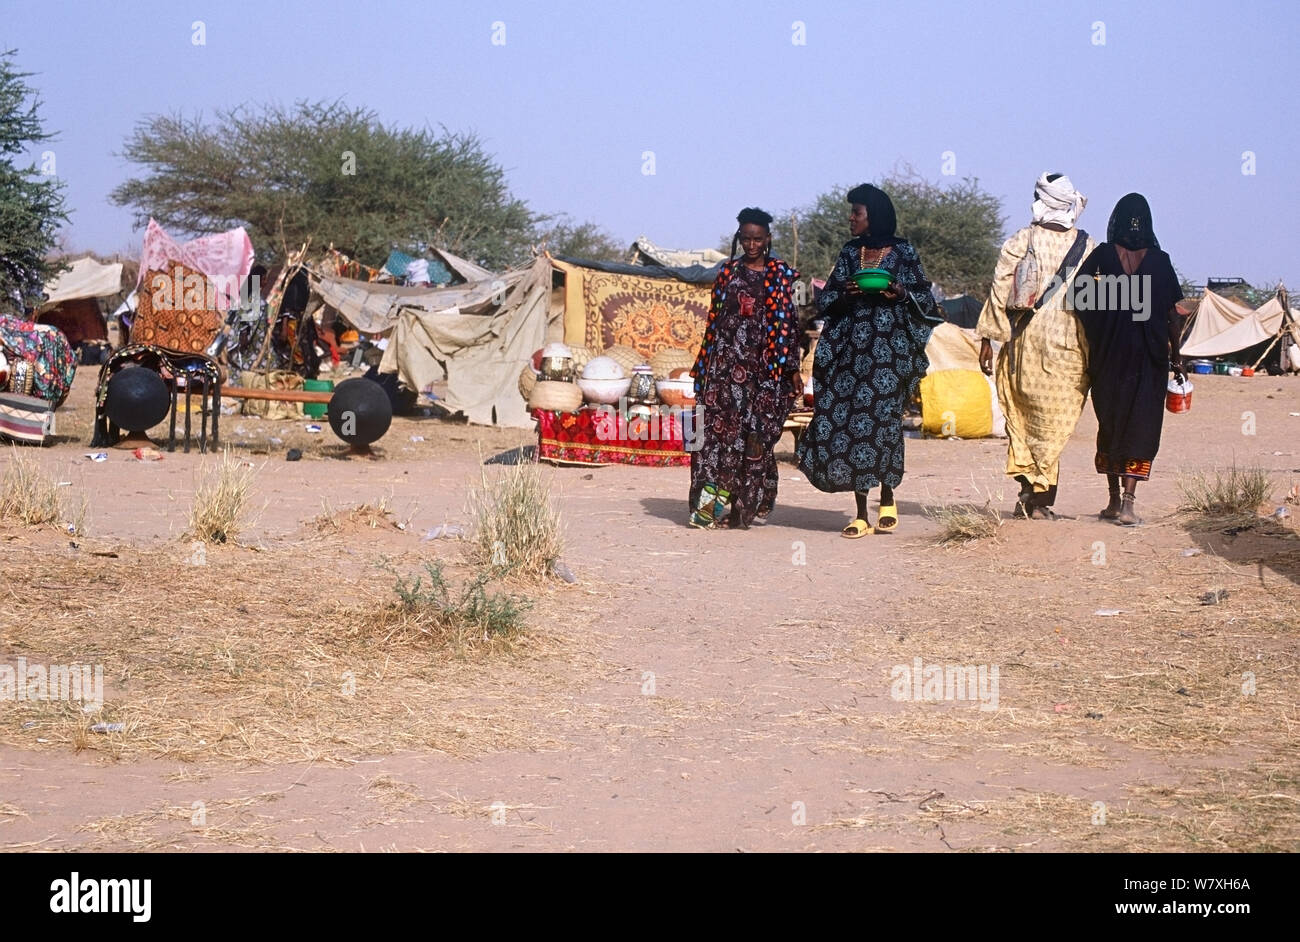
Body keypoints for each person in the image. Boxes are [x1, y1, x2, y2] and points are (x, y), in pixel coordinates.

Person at [796, 184, 939, 537]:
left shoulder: (904, 251)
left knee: (885, 420)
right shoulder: (849, 252)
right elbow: (826, 298)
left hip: (890, 353)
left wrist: (900, 293)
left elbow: (926, 300)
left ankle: (887, 498)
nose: (851, 218)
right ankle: (860, 513)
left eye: (856, 213)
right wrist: (846, 293)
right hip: (851, 354)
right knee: (855, 425)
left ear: (872, 216)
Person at [978, 172, 1094, 519]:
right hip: (1070, 348)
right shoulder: (1088, 248)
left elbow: (999, 291)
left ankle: (1031, 495)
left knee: (1027, 420)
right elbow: (1097, 303)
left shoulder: (1021, 240)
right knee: (1053, 425)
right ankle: (1039, 501)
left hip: (1024, 345)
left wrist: (987, 339)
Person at [1073, 193, 1184, 526]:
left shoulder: (1103, 256)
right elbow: (1172, 316)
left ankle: (1112, 500)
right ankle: (1128, 505)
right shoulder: (1160, 261)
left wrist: (1103, 321)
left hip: (1108, 358)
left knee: (1111, 424)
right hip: (1148, 360)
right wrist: (1176, 359)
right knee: (1141, 426)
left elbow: (1078, 300)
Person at [688, 207, 802, 529]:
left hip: (763, 373)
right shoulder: (726, 273)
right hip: (723, 369)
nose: (752, 245)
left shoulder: (781, 274)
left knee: (754, 440)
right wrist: (704, 366)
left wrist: (791, 369)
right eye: (746, 239)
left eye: (758, 239)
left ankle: (746, 507)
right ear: (739, 238)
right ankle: (707, 509)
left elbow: (790, 326)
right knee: (712, 438)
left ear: (767, 239)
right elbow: (714, 320)